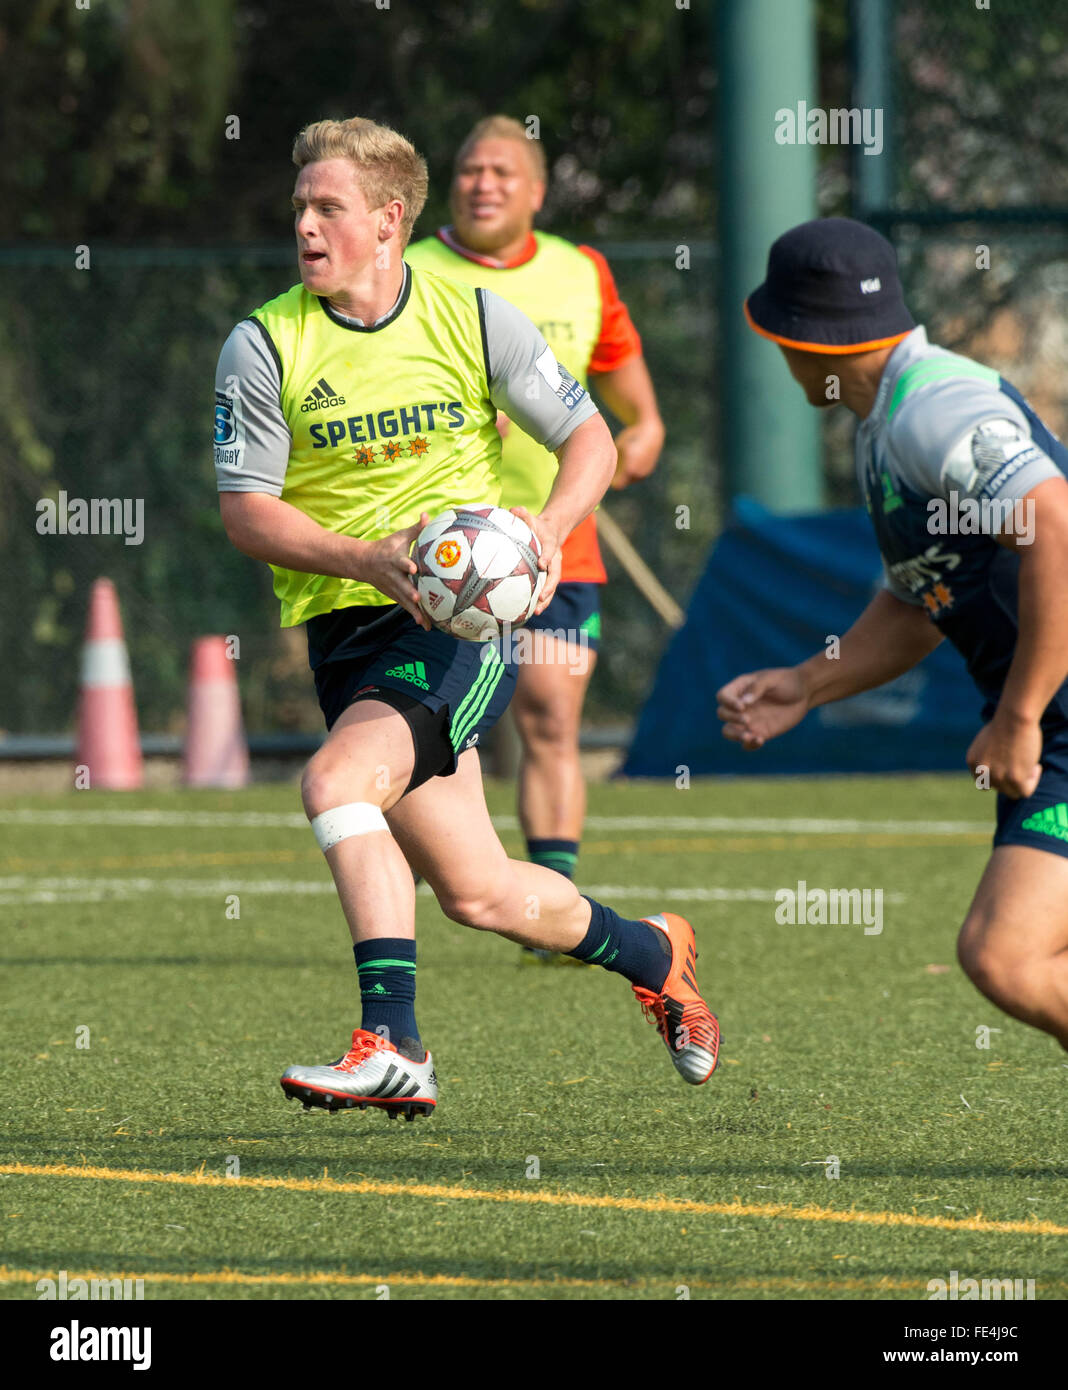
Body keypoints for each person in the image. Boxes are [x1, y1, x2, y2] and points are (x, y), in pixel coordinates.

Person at [213, 116, 719, 1119]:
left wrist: (546, 533)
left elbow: (594, 441)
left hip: (455, 626)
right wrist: (362, 557)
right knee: (481, 893)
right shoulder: (264, 342)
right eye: (301, 208)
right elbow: (247, 512)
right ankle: (656, 951)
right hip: (347, 630)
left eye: (331, 209)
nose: (307, 227)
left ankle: (394, 1043)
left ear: (391, 219)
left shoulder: (475, 318)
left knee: (334, 781)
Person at [717, 217, 1068, 1051]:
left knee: (1008, 955)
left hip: (1055, 723)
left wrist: (1017, 717)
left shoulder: (933, 411)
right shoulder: (887, 417)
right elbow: (922, 599)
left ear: (800, 336)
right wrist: (808, 682)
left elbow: (1056, 528)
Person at [406, 117, 664, 944]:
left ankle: (554, 900)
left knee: (551, 713)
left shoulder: (580, 272)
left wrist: (645, 430)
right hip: (437, 552)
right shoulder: (408, 270)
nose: (483, 183)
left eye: (502, 172)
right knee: (435, 719)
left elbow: (625, 387)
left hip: (558, 546)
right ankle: (451, 875)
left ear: (537, 191)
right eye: (470, 170)